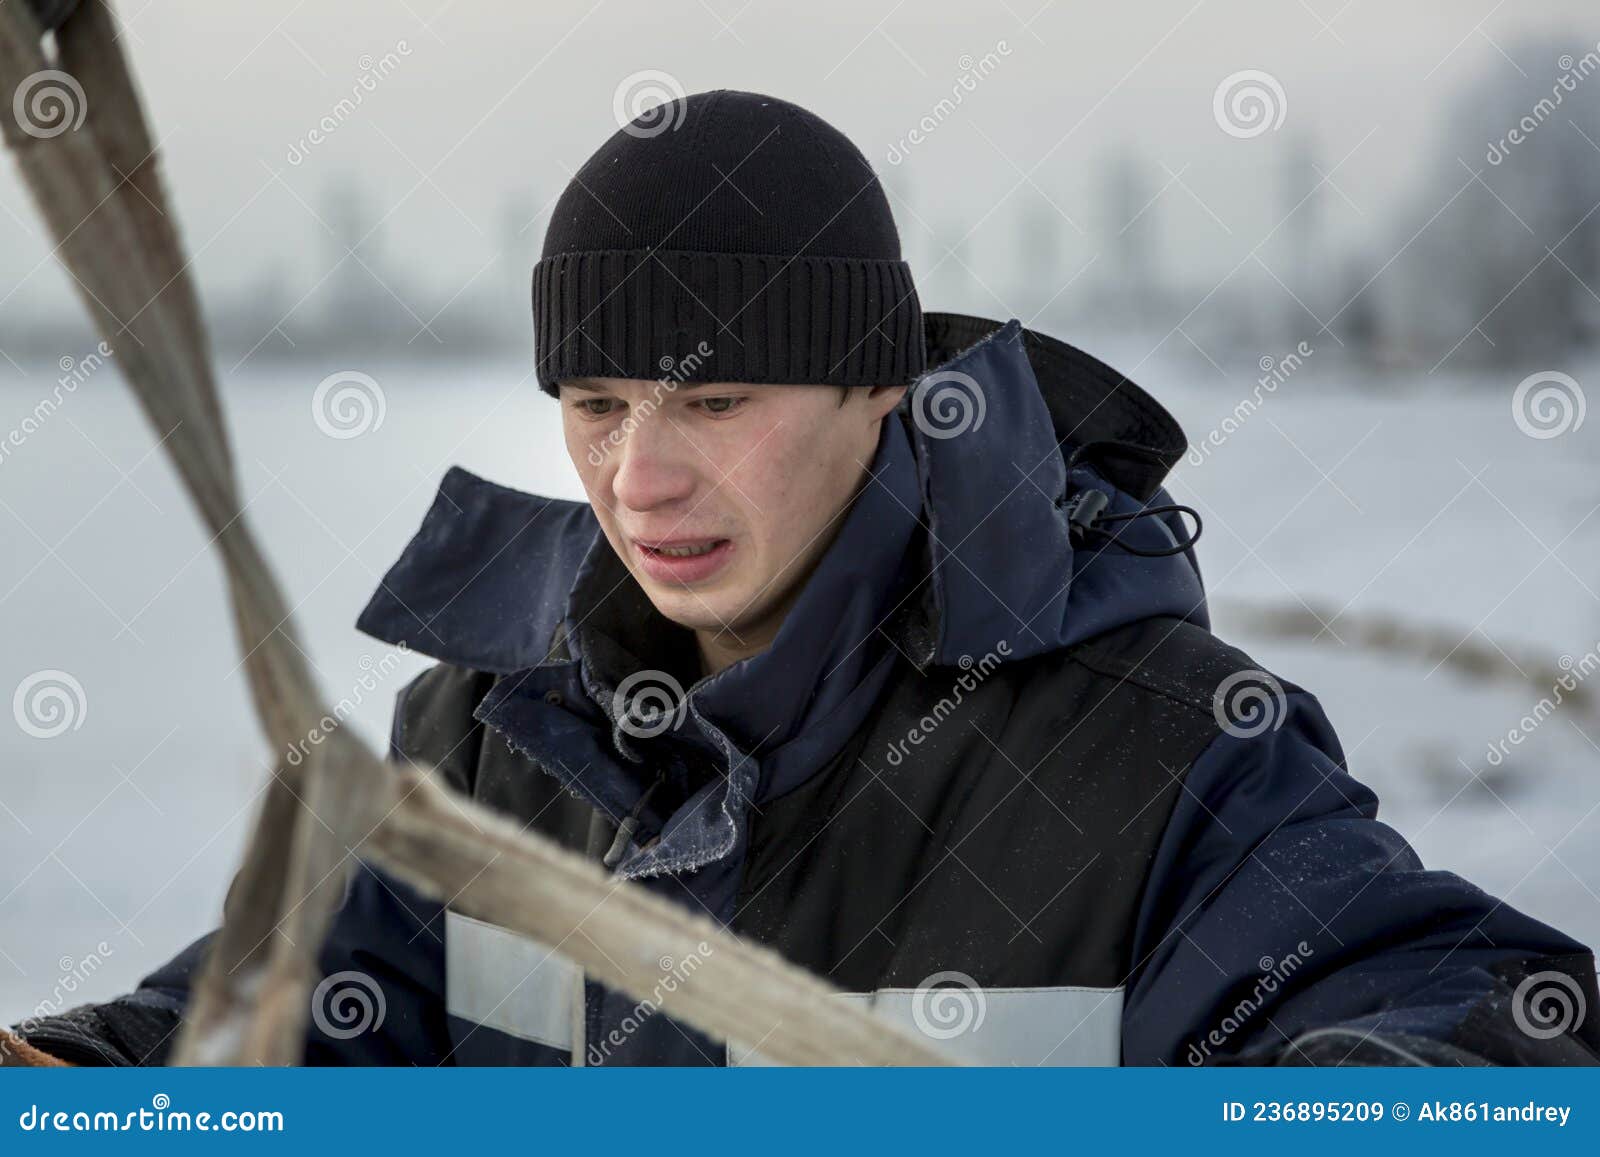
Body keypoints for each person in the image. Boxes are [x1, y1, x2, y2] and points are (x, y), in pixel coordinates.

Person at [6, 89, 1596, 1068]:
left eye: (714, 401)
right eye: (597, 403)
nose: (641, 478)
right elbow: (288, 1035)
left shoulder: (1154, 748)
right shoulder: (484, 740)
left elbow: (1483, 1011)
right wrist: (80, 1080)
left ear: (878, 389)